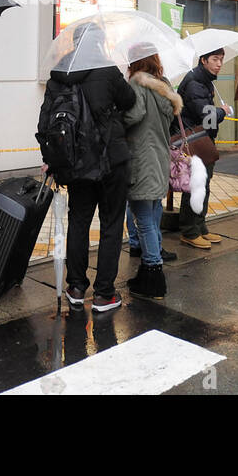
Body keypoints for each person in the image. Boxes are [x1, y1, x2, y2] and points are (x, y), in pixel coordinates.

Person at [42, 21, 135, 312]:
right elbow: (129, 100)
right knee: (110, 225)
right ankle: (105, 294)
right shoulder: (108, 71)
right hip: (110, 162)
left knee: (79, 222)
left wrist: (52, 160)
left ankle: (76, 287)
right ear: (98, 42)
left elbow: (45, 122)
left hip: (76, 163)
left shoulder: (59, 73)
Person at [122, 50, 181, 299]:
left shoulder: (137, 83)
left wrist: (116, 115)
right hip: (159, 158)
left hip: (141, 159)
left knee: (143, 217)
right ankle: (148, 269)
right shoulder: (165, 87)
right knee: (153, 212)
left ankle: (154, 275)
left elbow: (134, 115)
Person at [176, 48, 230, 250]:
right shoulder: (195, 83)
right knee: (195, 186)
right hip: (195, 142)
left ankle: (200, 227)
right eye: (215, 59)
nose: (219, 64)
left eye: (221, 60)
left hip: (202, 141)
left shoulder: (204, 81)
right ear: (203, 60)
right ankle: (189, 231)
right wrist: (222, 111)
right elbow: (206, 115)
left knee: (204, 186)